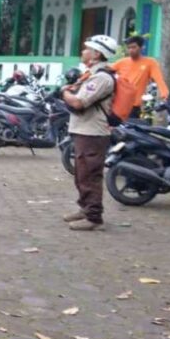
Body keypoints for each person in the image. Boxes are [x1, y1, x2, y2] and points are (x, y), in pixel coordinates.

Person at [61, 35, 118, 231]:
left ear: (96, 54)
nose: (83, 51)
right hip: (84, 130)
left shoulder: (102, 77)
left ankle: (94, 216)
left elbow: (78, 102)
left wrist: (64, 93)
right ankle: (84, 209)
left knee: (90, 174)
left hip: (93, 132)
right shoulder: (91, 74)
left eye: (87, 48)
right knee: (81, 174)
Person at [112, 35, 169, 119]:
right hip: (118, 104)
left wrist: (165, 94)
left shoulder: (150, 63)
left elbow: (159, 79)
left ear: (142, 48)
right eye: (129, 48)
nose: (131, 50)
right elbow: (105, 72)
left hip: (134, 105)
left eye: (134, 47)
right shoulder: (121, 62)